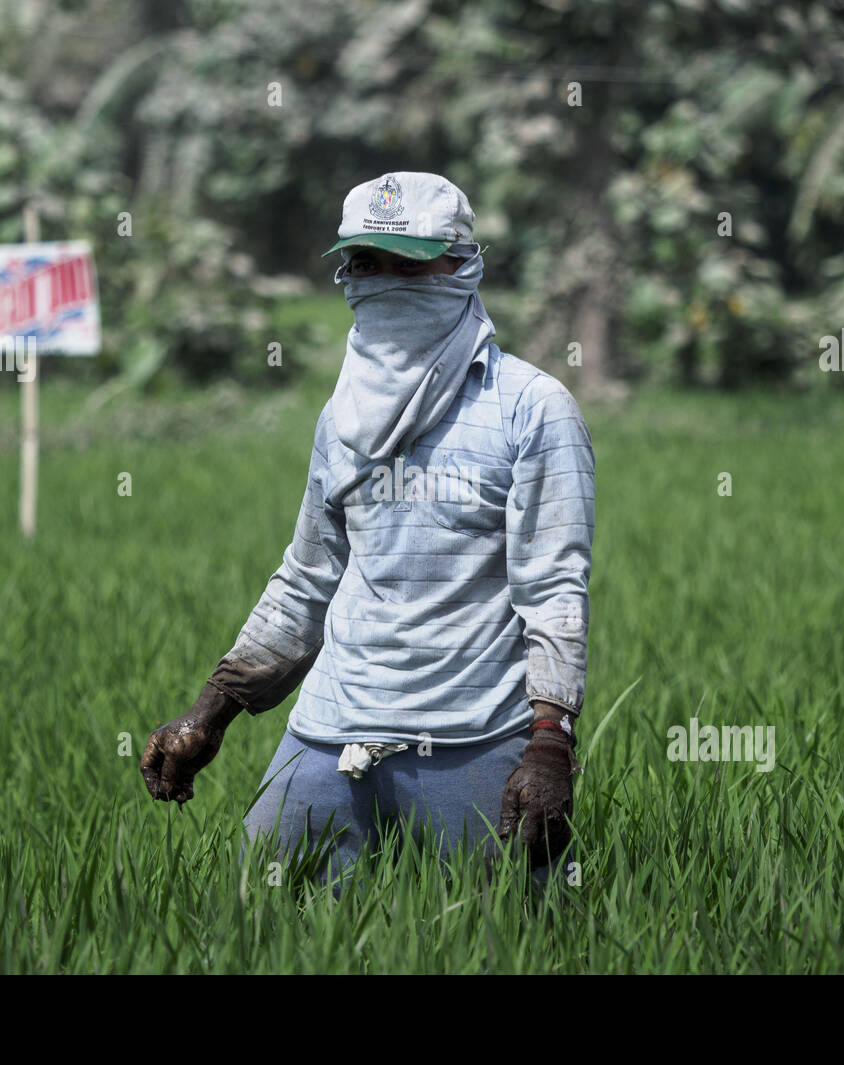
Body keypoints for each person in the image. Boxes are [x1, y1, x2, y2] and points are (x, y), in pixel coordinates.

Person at [140, 171, 595, 882]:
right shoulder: (343, 416)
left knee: (506, 939)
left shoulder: (531, 408)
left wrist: (549, 743)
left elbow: (554, 592)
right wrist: (211, 712)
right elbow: (308, 574)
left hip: (470, 733)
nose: (382, 282)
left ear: (464, 265)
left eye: (407, 265)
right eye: (364, 264)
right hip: (331, 727)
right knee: (254, 924)